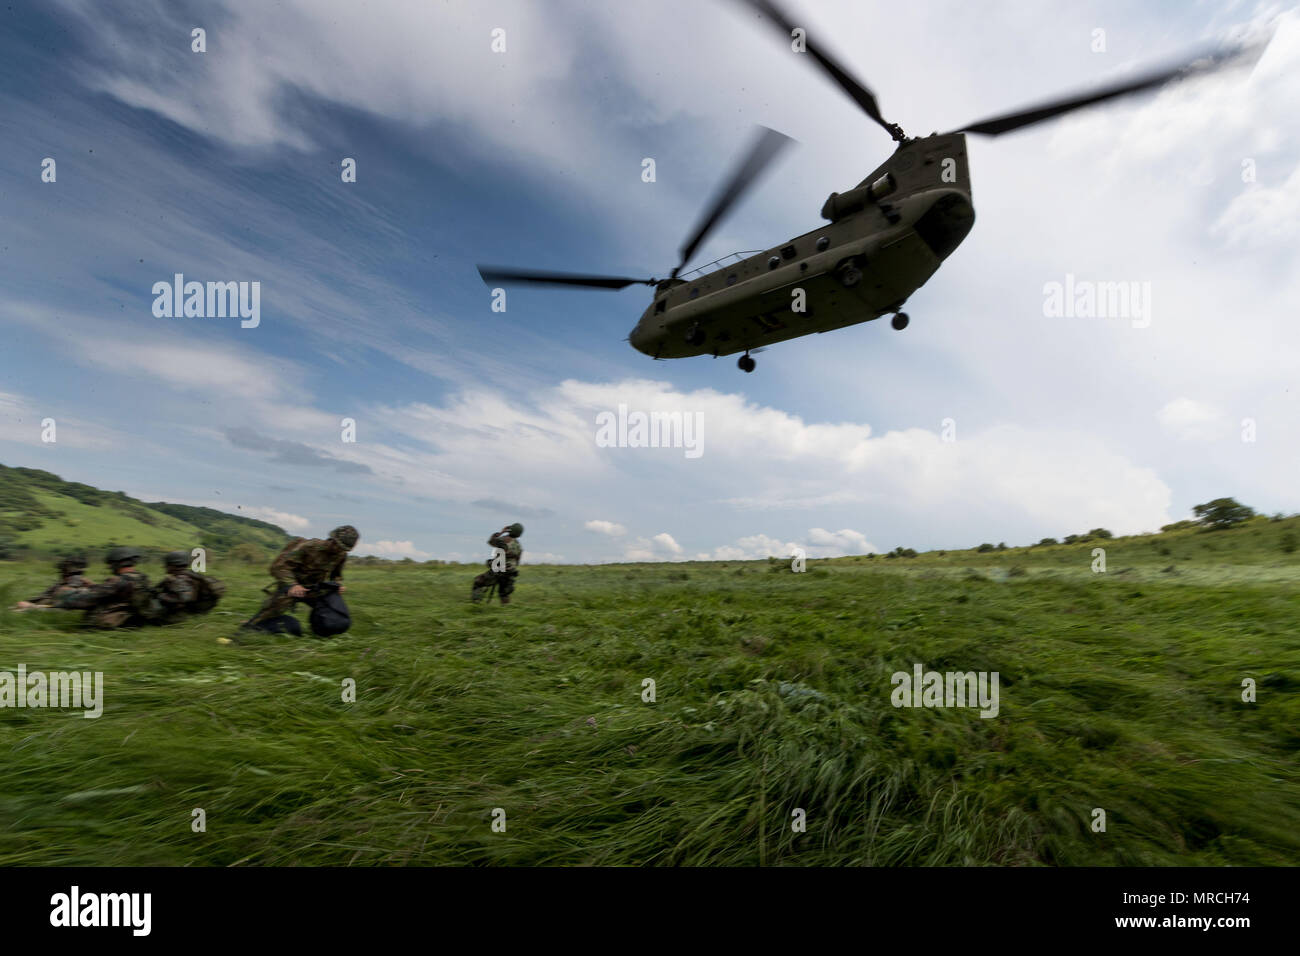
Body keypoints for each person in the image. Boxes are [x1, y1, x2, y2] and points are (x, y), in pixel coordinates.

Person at [240, 525, 357, 632]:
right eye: (338, 545)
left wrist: (337, 585)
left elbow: (336, 575)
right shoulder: (309, 546)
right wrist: (292, 585)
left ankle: (319, 630)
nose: (339, 550)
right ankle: (251, 625)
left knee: (337, 615)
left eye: (344, 549)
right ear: (332, 539)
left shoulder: (341, 555)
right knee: (267, 615)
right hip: (292, 587)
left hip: (315, 590)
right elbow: (278, 567)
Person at [52, 546, 158, 628]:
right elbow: (117, 593)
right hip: (136, 621)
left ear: (118, 563)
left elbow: (86, 599)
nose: (109, 567)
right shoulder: (142, 578)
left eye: (111, 564)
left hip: (114, 624)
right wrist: (93, 585)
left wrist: (65, 592)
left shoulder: (117, 581)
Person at [151, 550, 225, 623]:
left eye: (167, 565)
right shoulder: (191, 574)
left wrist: (160, 596)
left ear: (171, 566)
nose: (165, 568)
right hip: (200, 607)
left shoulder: (180, 579)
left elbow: (184, 598)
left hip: (186, 613)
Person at [10, 554, 93, 610]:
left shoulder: (77, 583)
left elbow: (59, 606)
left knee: (19, 607)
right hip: (47, 605)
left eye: (64, 569)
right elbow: (42, 597)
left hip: (51, 608)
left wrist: (32, 606)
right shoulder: (63, 583)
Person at [471, 523, 523, 604]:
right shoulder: (518, 546)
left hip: (498, 570)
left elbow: (491, 542)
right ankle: (506, 612)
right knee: (504, 594)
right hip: (510, 572)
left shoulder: (504, 539)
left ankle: (476, 605)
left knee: (478, 582)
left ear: (510, 530)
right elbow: (517, 562)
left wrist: (501, 532)